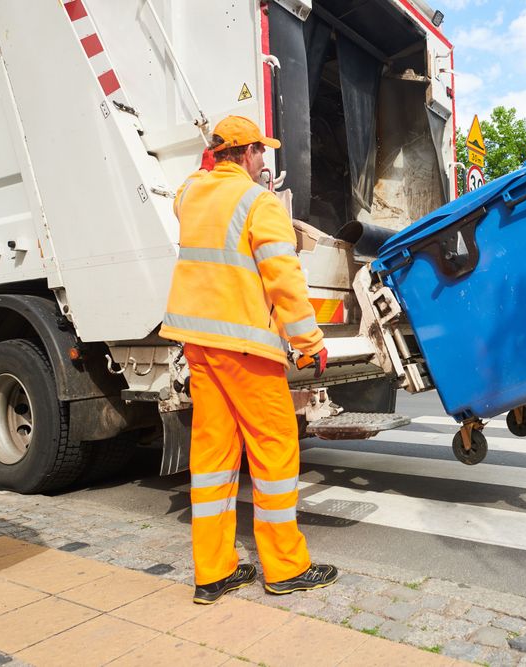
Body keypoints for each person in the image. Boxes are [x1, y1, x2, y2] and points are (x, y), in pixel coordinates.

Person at [160, 115, 338, 604]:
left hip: (199, 345)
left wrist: (206, 165)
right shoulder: (259, 203)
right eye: (261, 151)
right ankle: (284, 567)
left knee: (213, 457)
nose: (266, 160)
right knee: (274, 450)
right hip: (245, 347)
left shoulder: (192, 194)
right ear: (245, 153)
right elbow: (284, 280)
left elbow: (183, 194)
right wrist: (309, 342)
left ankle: (213, 572)